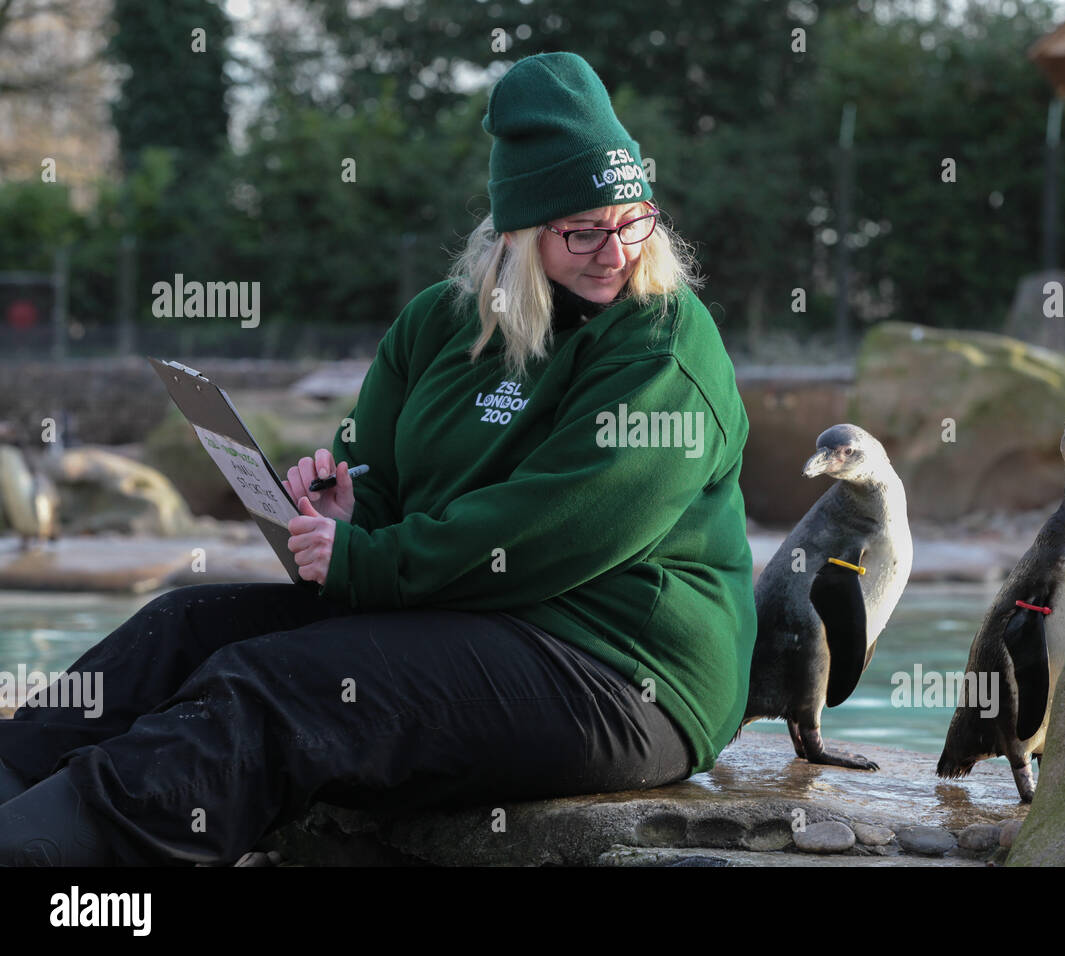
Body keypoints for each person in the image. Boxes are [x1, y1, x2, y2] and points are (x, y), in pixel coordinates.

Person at [0, 51, 757, 866]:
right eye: (581, 231)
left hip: (620, 672)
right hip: (467, 618)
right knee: (179, 626)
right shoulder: (440, 324)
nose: (616, 252)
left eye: (632, 218)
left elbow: (552, 532)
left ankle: (49, 864)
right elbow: (381, 473)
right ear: (516, 234)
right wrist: (347, 509)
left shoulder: (664, 345)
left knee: (281, 691)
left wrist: (369, 561)